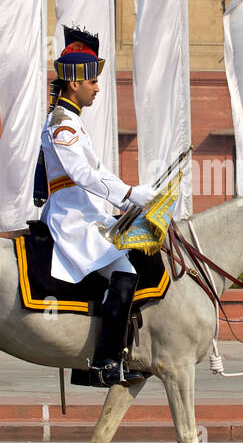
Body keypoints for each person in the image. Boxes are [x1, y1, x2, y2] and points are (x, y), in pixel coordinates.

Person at [39, 25, 156, 387]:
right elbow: (84, 175)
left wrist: (130, 199)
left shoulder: (72, 122)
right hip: (71, 217)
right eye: (92, 81)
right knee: (124, 273)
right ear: (74, 83)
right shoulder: (62, 124)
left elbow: (98, 171)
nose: (97, 87)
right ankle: (103, 363)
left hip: (88, 213)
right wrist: (129, 194)